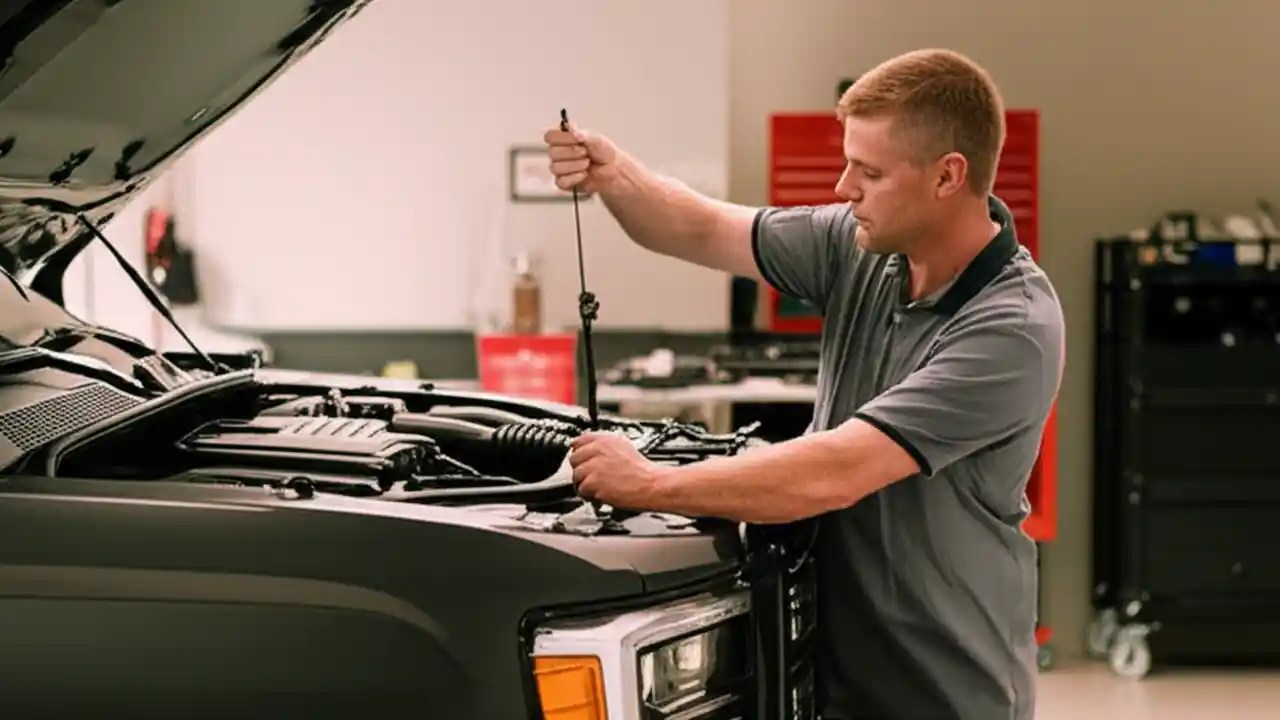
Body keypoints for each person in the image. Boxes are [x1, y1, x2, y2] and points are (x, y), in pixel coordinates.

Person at [544, 48, 1064, 720]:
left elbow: (834, 472)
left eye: (869, 172)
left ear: (947, 176)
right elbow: (700, 227)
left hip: (946, 696)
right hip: (838, 686)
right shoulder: (860, 245)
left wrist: (649, 483)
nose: (845, 187)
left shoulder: (1009, 327)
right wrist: (615, 175)